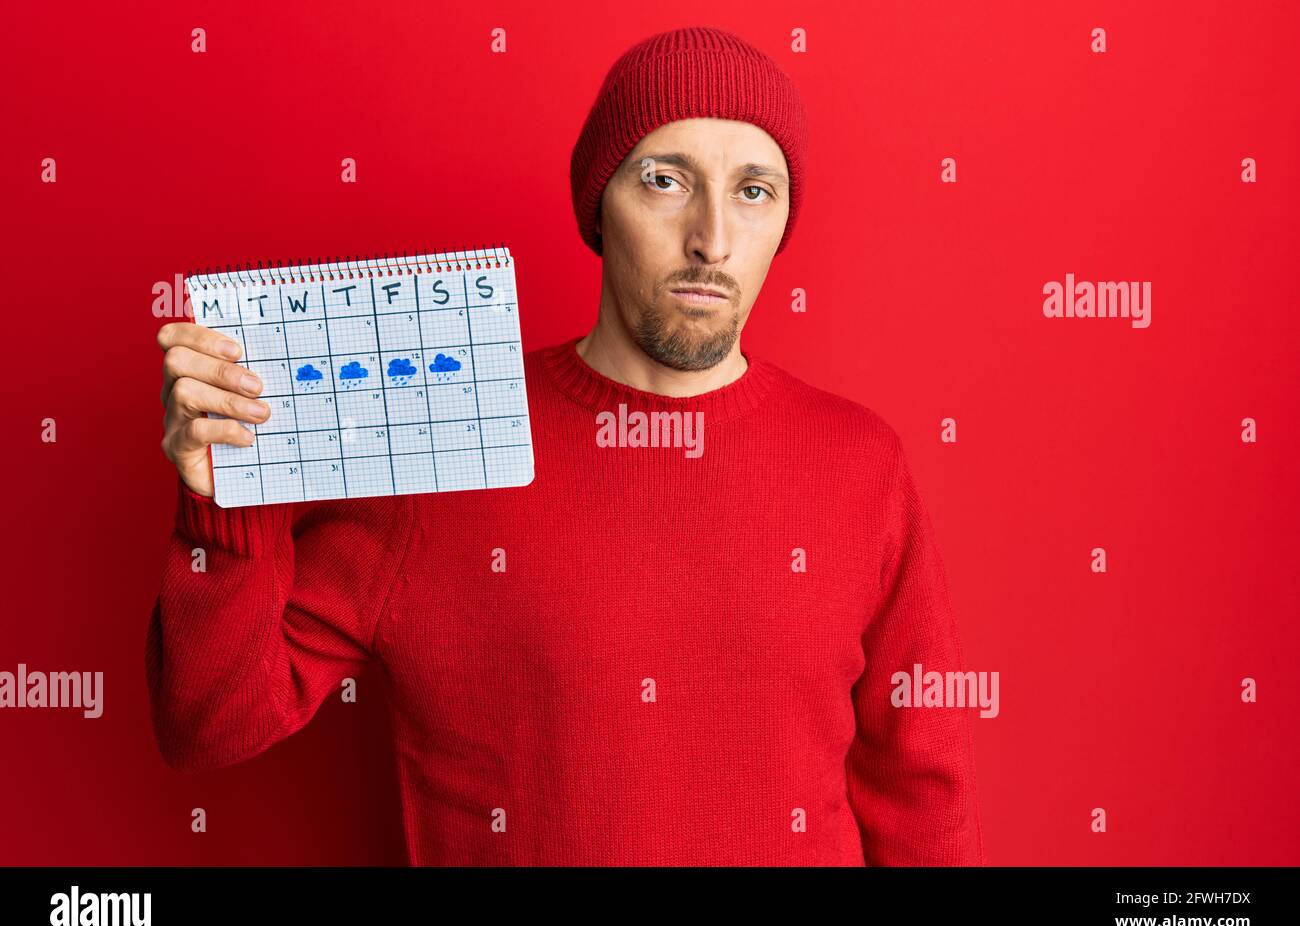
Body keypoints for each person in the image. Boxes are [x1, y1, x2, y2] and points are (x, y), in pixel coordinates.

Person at [148, 25, 986, 866]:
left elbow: (921, 790)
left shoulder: (860, 464)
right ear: (599, 203)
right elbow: (211, 725)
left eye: (754, 191)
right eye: (666, 181)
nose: (714, 240)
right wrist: (230, 503)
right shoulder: (447, 443)